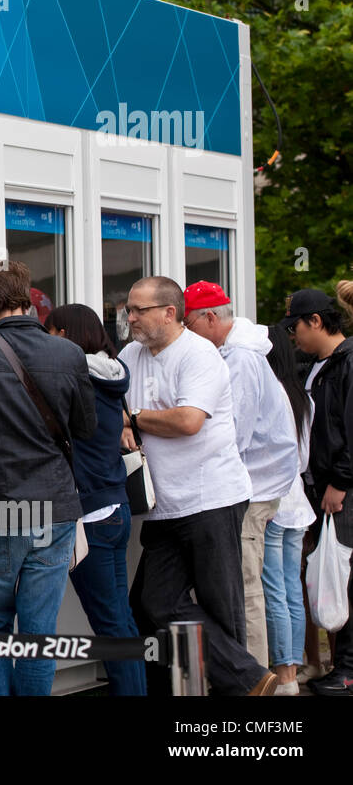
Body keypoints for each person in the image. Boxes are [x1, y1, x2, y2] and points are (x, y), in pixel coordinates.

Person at [120, 276, 276, 695]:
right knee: (152, 604)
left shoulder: (199, 354)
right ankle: (247, 679)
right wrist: (123, 426)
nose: (130, 317)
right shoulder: (130, 355)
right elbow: (111, 407)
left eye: (139, 310)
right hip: (163, 505)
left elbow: (188, 421)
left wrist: (133, 418)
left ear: (170, 313)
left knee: (220, 607)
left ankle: (239, 689)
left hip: (212, 498)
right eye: (128, 310)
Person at [0, 260, 96, 696]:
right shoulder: (68, 352)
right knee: (39, 634)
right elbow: (86, 428)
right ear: (26, 298)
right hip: (54, 507)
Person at [182, 281, 299, 668]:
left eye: (188, 324)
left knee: (247, 587)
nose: (185, 334)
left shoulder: (241, 359)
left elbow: (235, 433)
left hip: (253, 487)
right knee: (247, 585)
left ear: (210, 317)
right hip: (252, 484)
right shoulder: (237, 353)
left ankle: (256, 680)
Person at [44, 303, 145, 696]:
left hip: (90, 515)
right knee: (120, 617)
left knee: (110, 624)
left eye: (51, 333)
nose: (46, 343)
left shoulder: (75, 380)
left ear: (66, 336)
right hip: (115, 506)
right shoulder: (113, 375)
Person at [282, 286, 353, 696]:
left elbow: (350, 430)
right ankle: (340, 663)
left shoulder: (346, 364)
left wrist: (340, 484)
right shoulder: (319, 366)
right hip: (321, 487)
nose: (293, 336)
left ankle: (347, 667)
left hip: (339, 490)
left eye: (296, 327)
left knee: (343, 577)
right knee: (332, 576)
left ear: (316, 321)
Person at [261, 322, 317, 696]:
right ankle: (292, 670)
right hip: (297, 499)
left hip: (273, 498)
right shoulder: (302, 394)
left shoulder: (271, 392)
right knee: (290, 590)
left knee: (274, 590)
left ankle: (283, 674)